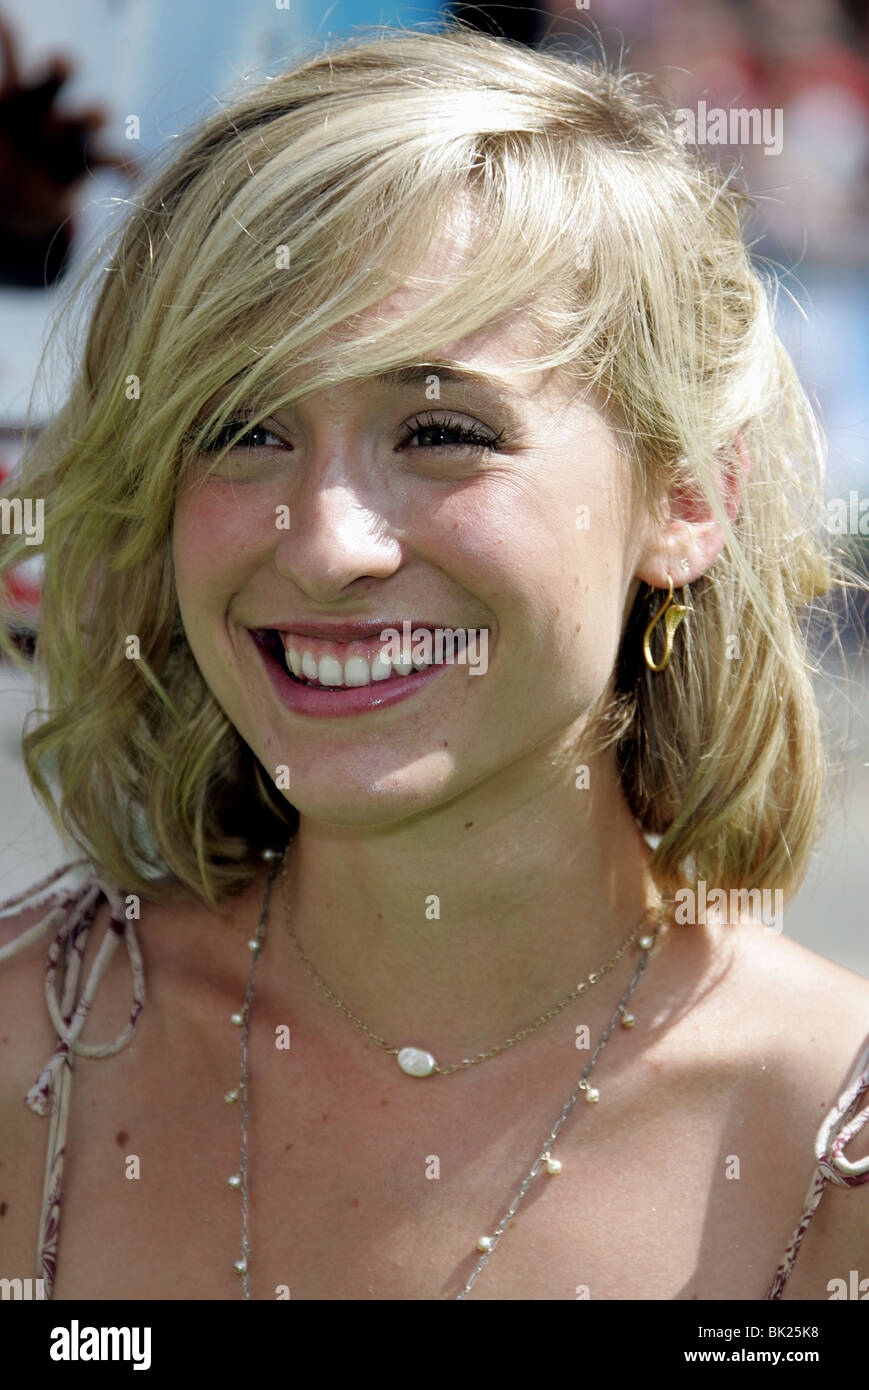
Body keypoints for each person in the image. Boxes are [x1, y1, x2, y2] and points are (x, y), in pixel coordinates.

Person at [0, 21, 867, 1302]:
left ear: (685, 497)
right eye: (242, 428)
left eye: (441, 430)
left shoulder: (824, 1150)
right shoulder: (31, 1059)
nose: (329, 543)